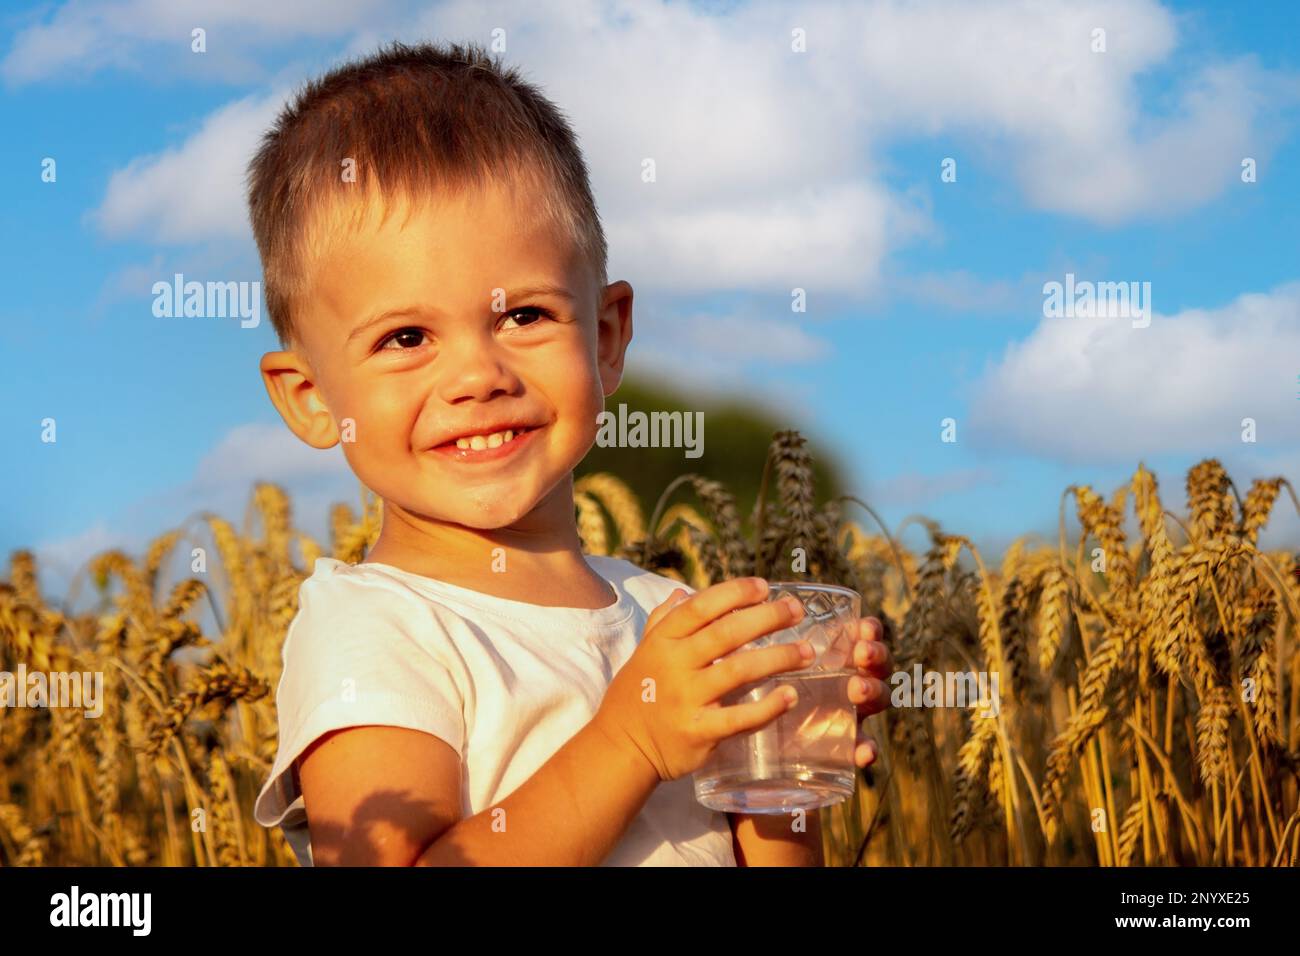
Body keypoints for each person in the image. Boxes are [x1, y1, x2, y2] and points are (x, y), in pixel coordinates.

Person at [248, 40, 892, 866]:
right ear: (309, 397)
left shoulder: (672, 617)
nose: (478, 376)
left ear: (606, 336)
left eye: (524, 316)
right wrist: (630, 742)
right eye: (406, 337)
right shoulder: (376, 628)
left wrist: (785, 766)